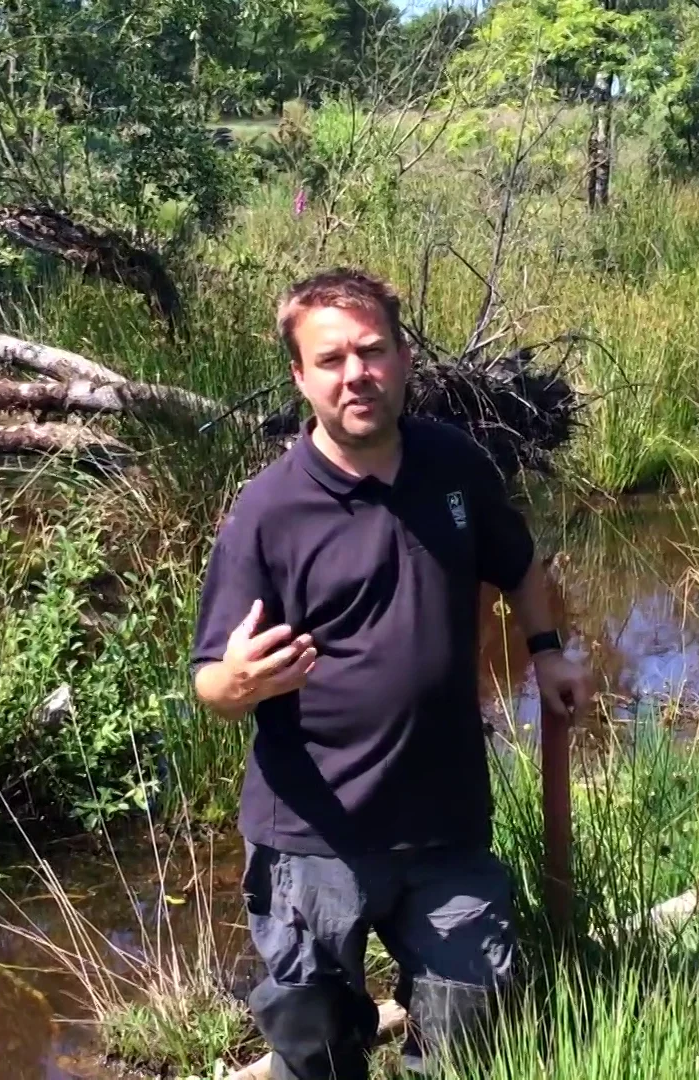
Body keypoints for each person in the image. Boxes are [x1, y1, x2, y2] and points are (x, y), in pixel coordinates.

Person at [191, 268, 593, 1079]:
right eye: (330, 359)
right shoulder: (267, 513)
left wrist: (546, 652)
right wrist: (237, 682)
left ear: (404, 358)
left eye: (371, 351)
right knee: (317, 1049)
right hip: (313, 840)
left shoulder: (455, 466)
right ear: (301, 378)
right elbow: (210, 681)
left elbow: (518, 564)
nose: (355, 374)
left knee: (470, 1030)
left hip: (445, 820)